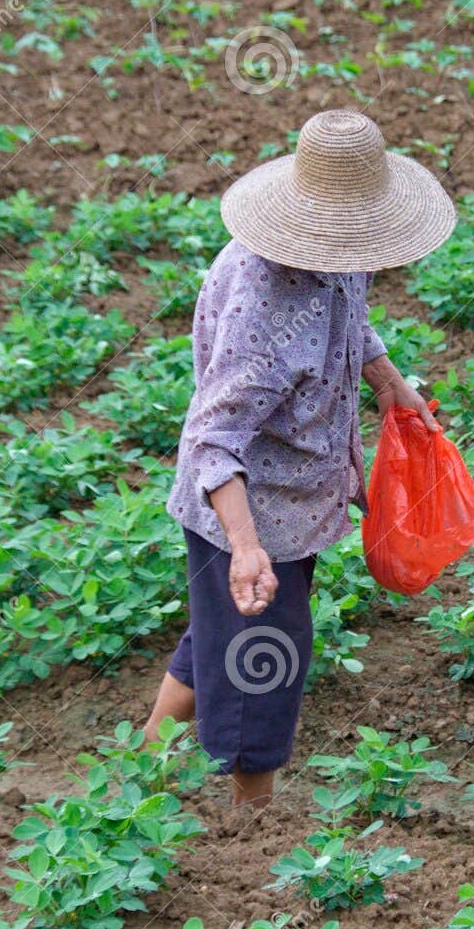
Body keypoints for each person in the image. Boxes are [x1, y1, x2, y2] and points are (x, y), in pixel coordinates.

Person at [145, 109, 455, 809]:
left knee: (217, 631)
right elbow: (212, 439)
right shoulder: (264, 304)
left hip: (296, 498)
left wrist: (392, 388)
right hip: (249, 513)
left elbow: (353, 317)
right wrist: (246, 549)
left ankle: (142, 761)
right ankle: (250, 834)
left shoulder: (336, 257)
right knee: (262, 673)